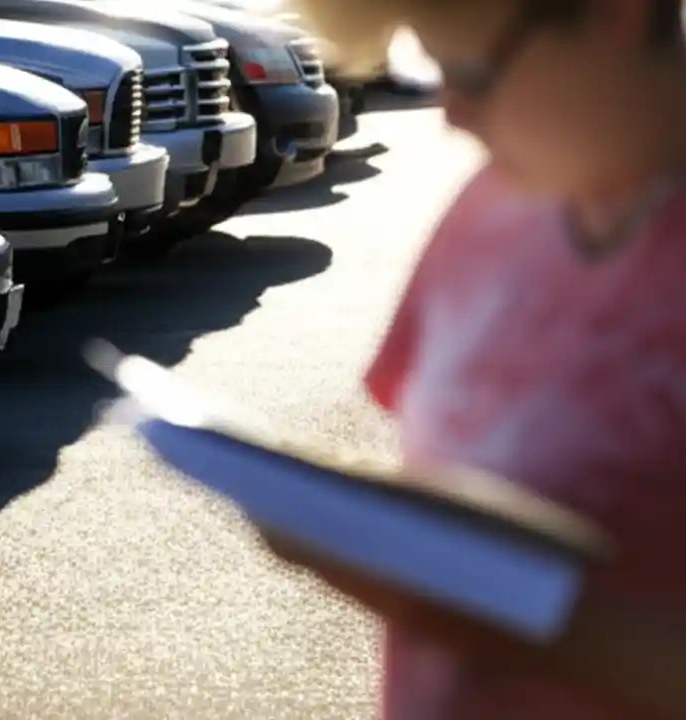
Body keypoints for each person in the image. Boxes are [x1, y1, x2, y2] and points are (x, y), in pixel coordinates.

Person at [263, 0, 686, 718]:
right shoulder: (488, 209)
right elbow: (446, 467)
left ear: (616, 16)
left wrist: (529, 611)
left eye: (471, 71)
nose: (451, 114)